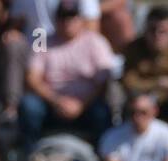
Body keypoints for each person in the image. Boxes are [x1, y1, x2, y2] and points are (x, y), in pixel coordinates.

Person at [19, 0, 117, 147]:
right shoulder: (43, 41)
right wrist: (57, 100)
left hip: (86, 105)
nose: (67, 22)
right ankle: (29, 152)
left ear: (81, 19)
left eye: (72, 17)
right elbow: (32, 78)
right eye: (63, 17)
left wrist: (81, 104)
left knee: (102, 112)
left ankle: (103, 153)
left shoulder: (96, 41)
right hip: (51, 104)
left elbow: (103, 81)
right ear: (55, 19)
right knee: (29, 106)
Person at [121, 7, 168, 138]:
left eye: (164, 31)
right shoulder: (134, 48)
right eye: (152, 30)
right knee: (133, 107)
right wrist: (163, 83)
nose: (158, 35)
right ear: (145, 30)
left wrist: (157, 88)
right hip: (144, 98)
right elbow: (129, 82)